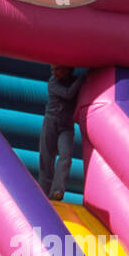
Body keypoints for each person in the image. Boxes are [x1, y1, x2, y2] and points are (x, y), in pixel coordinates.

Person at [38, 65, 81, 201]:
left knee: (65, 156)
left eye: (58, 70)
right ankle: (44, 193)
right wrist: (82, 80)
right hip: (51, 122)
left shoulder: (73, 80)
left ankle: (57, 191)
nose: (54, 73)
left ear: (68, 69)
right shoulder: (52, 82)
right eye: (53, 70)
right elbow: (68, 94)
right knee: (47, 158)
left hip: (67, 126)